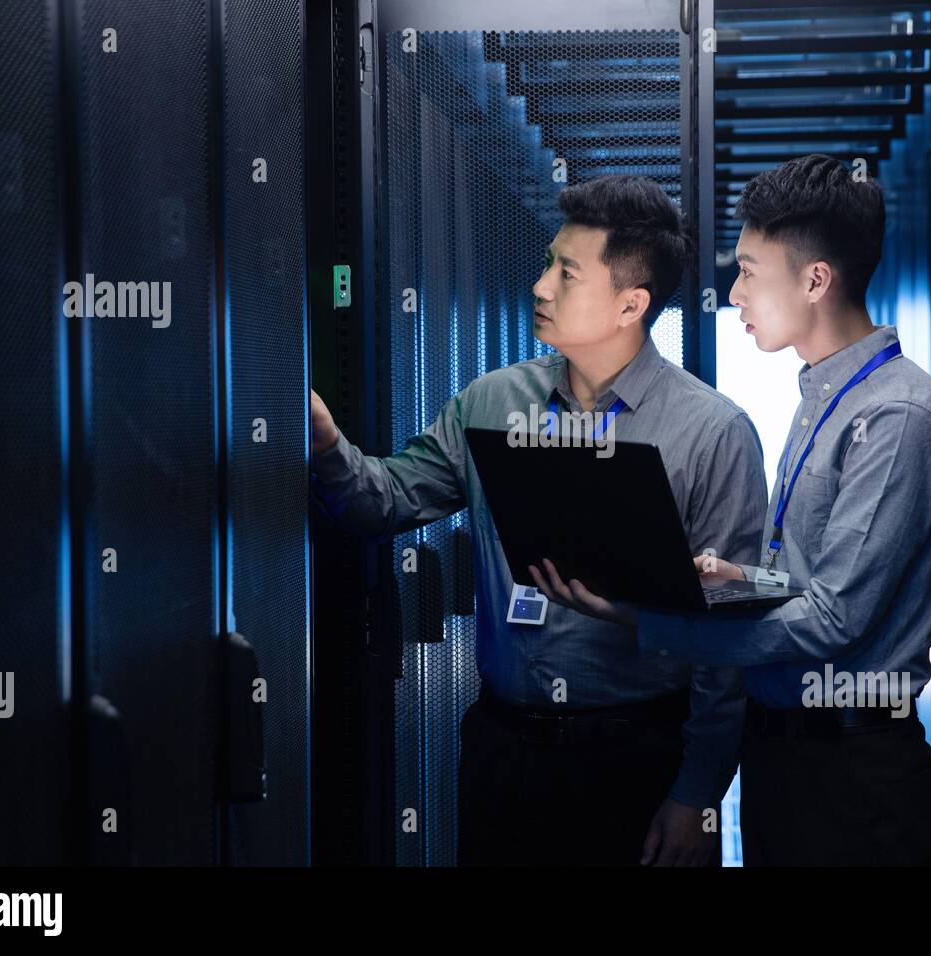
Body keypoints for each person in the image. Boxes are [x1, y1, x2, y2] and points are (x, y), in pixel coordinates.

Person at [309, 174, 768, 865]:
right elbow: (385, 501)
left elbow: (729, 634)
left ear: (630, 304)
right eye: (547, 263)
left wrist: (697, 795)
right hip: (504, 752)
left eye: (566, 273)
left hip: (637, 758)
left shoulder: (713, 432)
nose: (541, 286)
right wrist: (325, 444)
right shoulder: (493, 401)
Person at [530, 155, 931, 865]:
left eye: (750, 271)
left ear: (815, 280)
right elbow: (815, 582)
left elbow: (833, 620)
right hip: (791, 757)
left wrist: (653, 619)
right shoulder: (826, 397)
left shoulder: (895, 417)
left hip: (853, 774)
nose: (734, 293)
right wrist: (741, 579)